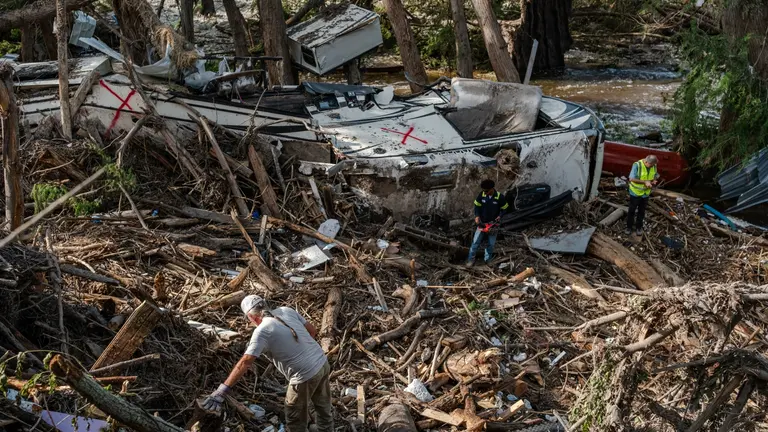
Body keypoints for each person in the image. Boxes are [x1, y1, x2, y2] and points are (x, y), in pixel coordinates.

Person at [202, 295, 333, 432]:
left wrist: (222, 390)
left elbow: (245, 362)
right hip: (322, 363)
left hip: (304, 375)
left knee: (295, 418)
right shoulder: (286, 310)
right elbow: (312, 331)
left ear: (251, 317)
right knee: (323, 407)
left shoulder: (262, 331)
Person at [466, 179, 509, 267]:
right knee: (475, 243)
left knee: (491, 244)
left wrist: (500, 216)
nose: (485, 193)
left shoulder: (499, 197)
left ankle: (488, 260)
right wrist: (477, 216)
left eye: (486, 191)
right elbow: (477, 206)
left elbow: (505, 208)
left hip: (493, 224)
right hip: (482, 223)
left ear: (492, 189)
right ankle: (470, 260)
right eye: (483, 191)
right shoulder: (481, 195)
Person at [626, 155, 660, 236]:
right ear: (646, 162)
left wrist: (654, 180)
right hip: (635, 192)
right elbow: (631, 179)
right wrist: (645, 182)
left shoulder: (654, 165)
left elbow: (655, 174)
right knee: (632, 210)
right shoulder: (637, 165)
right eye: (650, 165)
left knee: (642, 211)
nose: (652, 166)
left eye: (653, 165)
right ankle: (629, 227)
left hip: (645, 194)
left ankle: (639, 227)